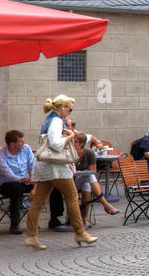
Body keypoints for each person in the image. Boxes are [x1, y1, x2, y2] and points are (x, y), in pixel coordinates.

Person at [24, 96, 97, 249]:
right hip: (55, 167)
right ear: (62, 108)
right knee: (71, 196)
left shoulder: (49, 119)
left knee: (38, 202)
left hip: (46, 166)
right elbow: (56, 144)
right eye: (70, 109)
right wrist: (71, 136)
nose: (70, 112)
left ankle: (31, 235)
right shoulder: (56, 121)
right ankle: (80, 232)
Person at [0, 130, 36, 234]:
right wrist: (23, 179)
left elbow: (34, 167)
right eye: (21, 142)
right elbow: (9, 174)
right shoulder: (1, 155)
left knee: (50, 183)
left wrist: (36, 185)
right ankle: (15, 224)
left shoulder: (26, 149)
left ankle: (55, 218)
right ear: (12, 144)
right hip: (7, 184)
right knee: (16, 187)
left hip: (26, 182)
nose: (24, 143)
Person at [72, 134, 119, 220]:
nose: (73, 143)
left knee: (87, 183)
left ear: (82, 144)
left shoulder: (89, 153)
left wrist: (81, 172)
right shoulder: (70, 153)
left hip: (81, 180)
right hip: (71, 182)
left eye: (75, 142)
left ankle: (84, 218)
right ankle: (105, 204)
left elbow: (93, 171)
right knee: (88, 176)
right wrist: (84, 171)